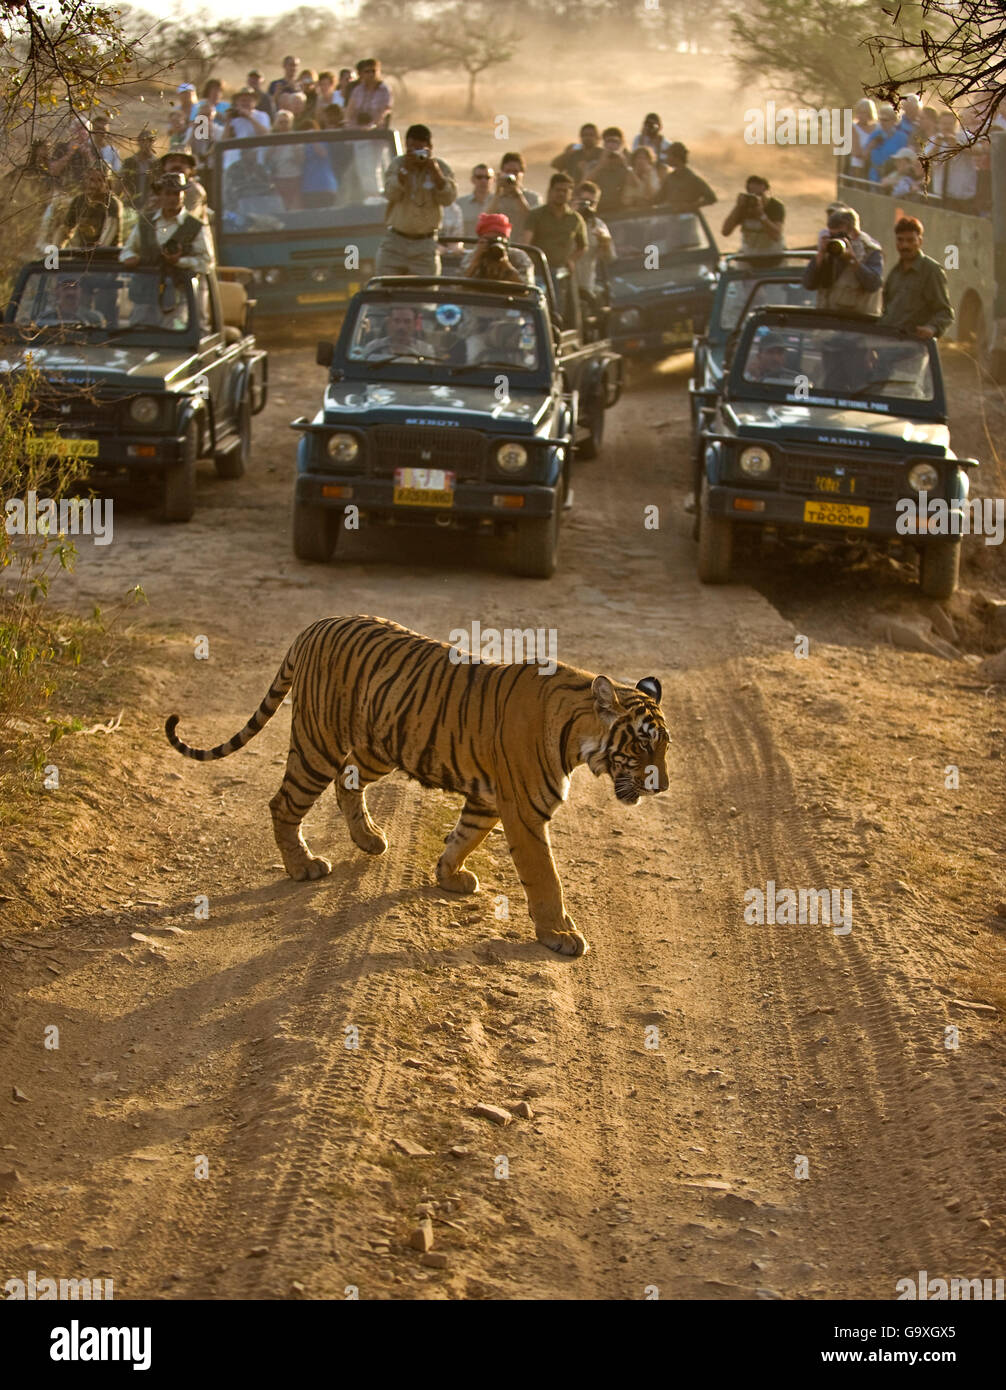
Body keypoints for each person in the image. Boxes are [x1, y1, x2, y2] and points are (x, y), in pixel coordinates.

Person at [376, 124, 457, 276]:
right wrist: (405, 170)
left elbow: (448, 199)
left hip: (425, 244)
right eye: (411, 148)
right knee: (385, 289)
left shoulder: (441, 168)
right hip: (396, 242)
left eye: (420, 150)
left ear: (429, 148)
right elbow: (390, 194)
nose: (416, 154)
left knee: (425, 293)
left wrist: (435, 172)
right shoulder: (398, 165)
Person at [120, 172, 214, 277]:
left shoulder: (195, 225)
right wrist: (131, 257)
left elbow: (207, 263)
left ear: (184, 195)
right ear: (160, 195)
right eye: (168, 193)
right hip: (145, 286)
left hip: (179, 288)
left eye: (176, 193)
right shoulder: (146, 221)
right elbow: (127, 250)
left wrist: (179, 261)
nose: (172, 198)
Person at [878, 214, 953, 339]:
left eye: (910, 240)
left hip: (913, 347)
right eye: (900, 240)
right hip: (887, 344)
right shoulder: (895, 273)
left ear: (920, 241)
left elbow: (945, 312)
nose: (905, 246)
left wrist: (932, 328)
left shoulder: (931, 271)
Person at [802, 206, 883, 314]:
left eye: (839, 235)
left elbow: (873, 284)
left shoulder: (870, 251)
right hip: (826, 320)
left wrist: (852, 260)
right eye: (832, 234)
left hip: (856, 323)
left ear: (854, 233)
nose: (835, 239)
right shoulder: (829, 250)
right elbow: (808, 283)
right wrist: (821, 254)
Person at [523, 172, 588, 273]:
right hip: (539, 270)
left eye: (565, 191)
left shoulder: (576, 219)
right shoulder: (536, 215)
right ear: (550, 191)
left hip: (561, 271)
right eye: (558, 190)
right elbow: (526, 243)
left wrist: (571, 260)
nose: (561, 194)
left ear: (570, 194)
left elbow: (582, 246)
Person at [462, 212, 534, 284]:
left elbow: (527, 288)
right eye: (490, 240)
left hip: (509, 294)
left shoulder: (519, 257)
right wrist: (476, 261)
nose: (494, 244)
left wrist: (507, 266)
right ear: (481, 240)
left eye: (498, 240)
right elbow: (458, 286)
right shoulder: (473, 256)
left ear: (506, 240)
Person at [926, 111, 978, 210]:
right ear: (939, 124)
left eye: (950, 124)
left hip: (961, 194)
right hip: (940, 193)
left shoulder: (965, 137)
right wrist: (936, 146)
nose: (947, 127)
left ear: (956, 124)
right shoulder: (934, 139)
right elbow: (925, 161)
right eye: (944, 124)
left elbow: (979, 150)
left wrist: (958, 146)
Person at [60, 167, 122, 248]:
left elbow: (107, 239)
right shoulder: (78, 200)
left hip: (108, 255)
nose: (93, 185)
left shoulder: (112, 204)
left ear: (107, 184)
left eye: (99, 181)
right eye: (91, 180)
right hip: (82, 253)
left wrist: (94, 253)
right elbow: (66, 230)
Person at [721, 175, 785, 252]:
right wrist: (738, 208)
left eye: (759, 195)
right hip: (748, 256)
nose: (757, 200)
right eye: (752, 195)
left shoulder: (775, 206)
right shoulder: (744, 207)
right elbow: (725, 232)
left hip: (773, 256)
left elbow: (776, 236)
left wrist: (762, 216)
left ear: (766, 191)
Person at [572, 180, 613, 298]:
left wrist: (604, 243)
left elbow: (609, 258)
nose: (588, 207)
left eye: (592, 203)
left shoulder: (598, 225)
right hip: (565, 284)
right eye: (585, 203)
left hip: (586, 285)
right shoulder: (565, 221)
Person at [583, 127, 640, 212]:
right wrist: (601, 164)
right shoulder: (594, 164)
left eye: (615, 143)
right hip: (599, 207)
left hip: (620, 209)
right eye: (609, 142)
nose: (612, 146)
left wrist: (625, 164)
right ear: (604, 145)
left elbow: (636, 185)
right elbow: (585, 183)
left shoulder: (627, 166)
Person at [487, 151, 540, 238]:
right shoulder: (492, 198)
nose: (511, 175)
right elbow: (487, 219)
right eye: (508, 171)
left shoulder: (533, 198)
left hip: (524, 246)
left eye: (515, 172)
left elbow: (533, 221)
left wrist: (518, 194)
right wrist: (497, 193)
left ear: (522, 173)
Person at [655, 142, 716, 212]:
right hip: (671, 219)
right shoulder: (670, 178)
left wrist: (691, 206)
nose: (666, 158)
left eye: (669, 155)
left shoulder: (692, 179)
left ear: (676, 157)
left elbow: (711, 198)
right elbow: (658, 199)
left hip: (687, 220)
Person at [358, 304, 435, 359]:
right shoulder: (373, 347)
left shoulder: (425, 351)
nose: (401, 327)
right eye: (396, 321)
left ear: (414, 324)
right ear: (389, 322)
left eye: (407, 321)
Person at [154, 151, 208, 220]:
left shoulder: (193, 190)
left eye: (183, 162)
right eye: (172, 161)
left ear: (191, 169)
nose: (177, 165)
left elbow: (185, 221)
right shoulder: (160, 187)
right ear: (164, 166)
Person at [863, 103, 909, 183]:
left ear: (894, 120)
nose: (882, 122)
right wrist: (871, 146)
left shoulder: (902, 137)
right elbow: (865, 155)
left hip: (891, 177)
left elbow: (905, 160)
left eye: (885, 120)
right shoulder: (875, 134)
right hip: (874, 176)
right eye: (881, 119)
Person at [37, 274, 105, 327]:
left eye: (75, 288)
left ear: (80, 291)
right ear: (57, 290)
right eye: (66, 288)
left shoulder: (94, 318)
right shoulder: (45, 318)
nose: (71, 292)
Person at [119, 128, 159, 210]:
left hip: (151, 205)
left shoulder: (158, 164)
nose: (146, 144)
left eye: (150, 141)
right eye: (143, 141)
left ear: (154, 143)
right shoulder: (129, 162)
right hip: (131, 204)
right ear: (138, 142)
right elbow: (121, 183)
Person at [345, 58, 392, 128]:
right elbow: (350, 110)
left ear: (379, 72)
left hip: (377, 130)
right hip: (356, 128)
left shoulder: (384, 90)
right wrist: (347, 122)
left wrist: (372, 125)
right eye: (367, 71)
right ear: (362, 74)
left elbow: (384, 111)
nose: (371, 74)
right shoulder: (358, 90)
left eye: (373, 71)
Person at [457, 163, 494, 235]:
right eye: (479, 177)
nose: (483, 181)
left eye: (487, 177)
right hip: (468, 245)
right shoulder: (460, 204)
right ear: (472, 179)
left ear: (493, 180)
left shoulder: (499, 202)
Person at [848, 98, 878, 176]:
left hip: (873, 162)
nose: (861, 115)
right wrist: (866, 154)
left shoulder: (877, 127)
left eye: (864, 112)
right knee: (857, 163)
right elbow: (856, 151)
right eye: (859, 112)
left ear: (869, 113)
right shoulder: (853, 127)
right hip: (859, 163)